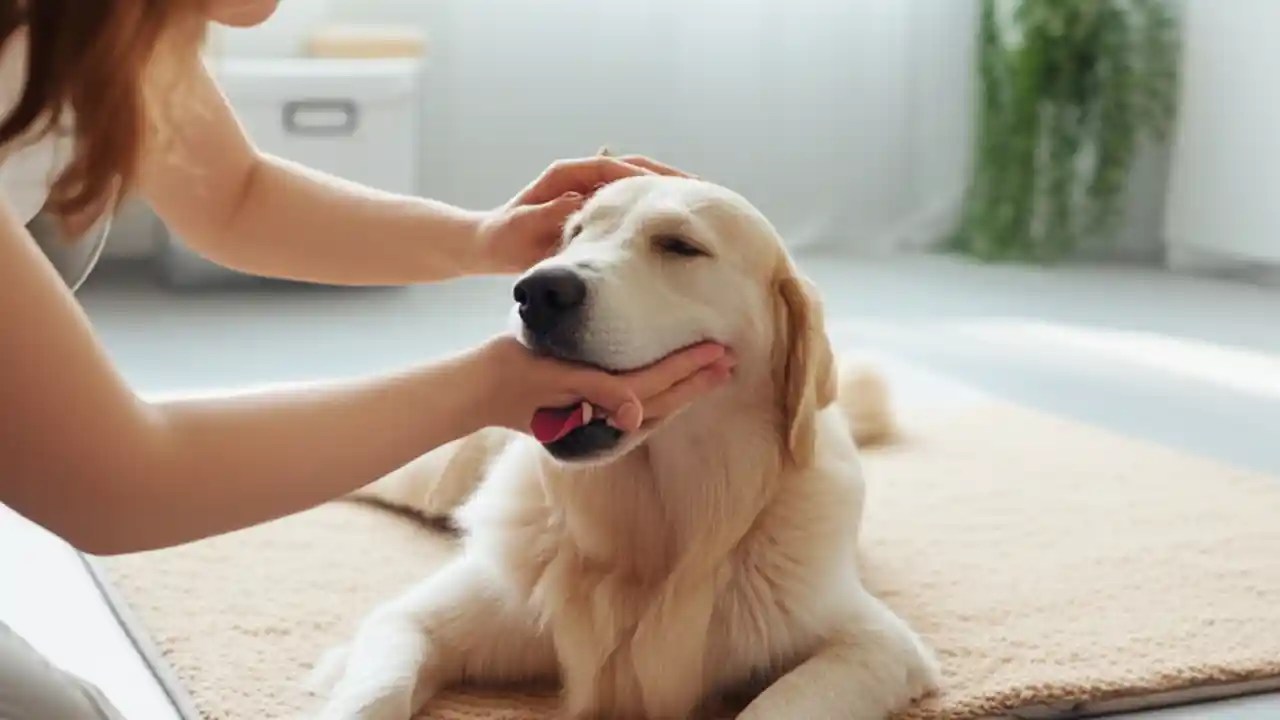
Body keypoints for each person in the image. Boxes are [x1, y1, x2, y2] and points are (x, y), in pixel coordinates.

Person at [0, 2, 733, 717]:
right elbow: (120, 483)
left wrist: (482, 238)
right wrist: (486, 388)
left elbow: (234, 197)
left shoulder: (121, 23)